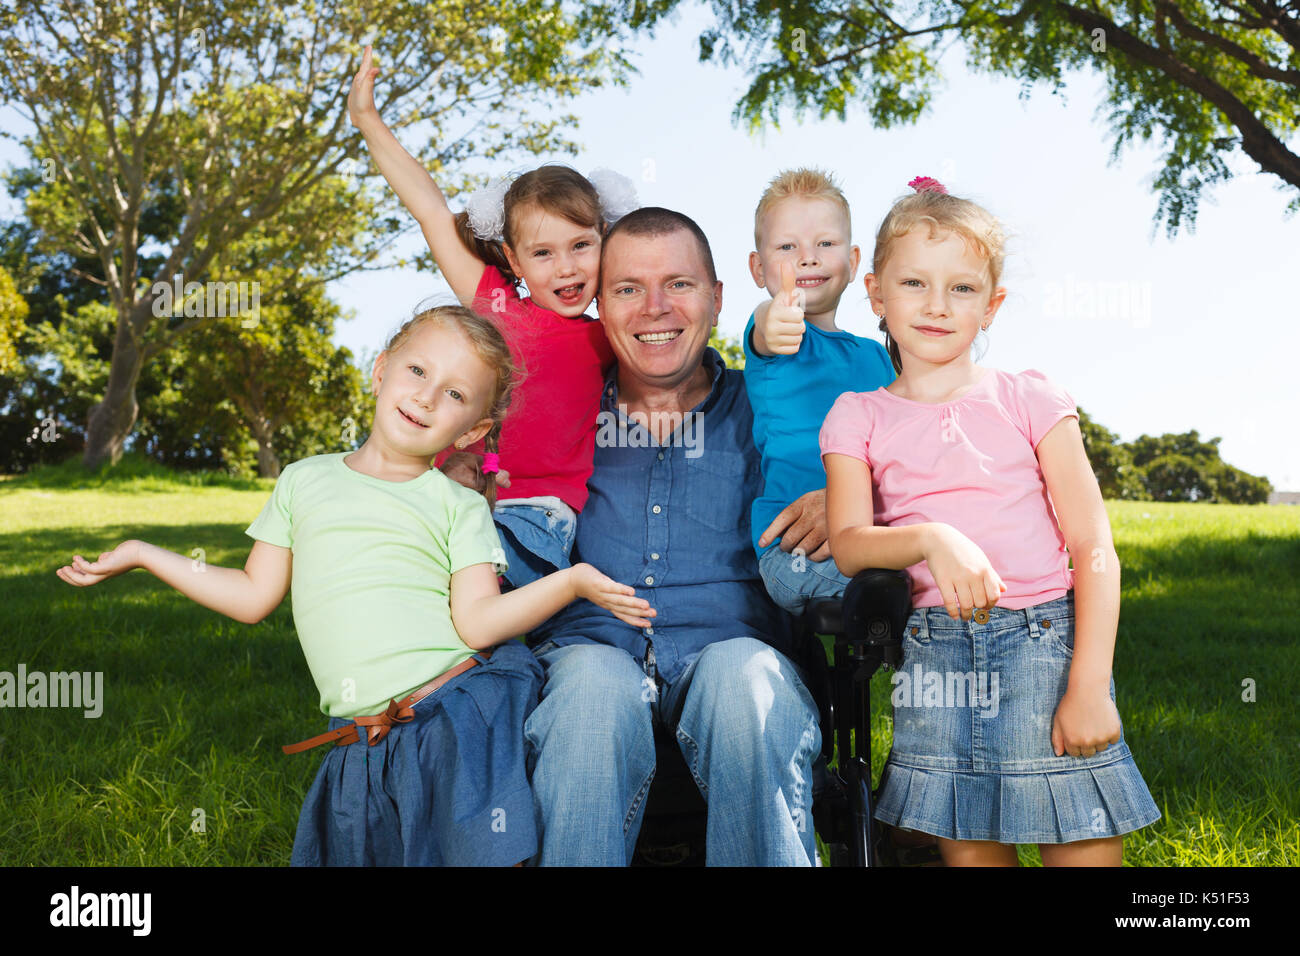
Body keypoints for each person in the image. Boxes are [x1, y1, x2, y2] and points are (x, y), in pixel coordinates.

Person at [55, 304, 652, 867]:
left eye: (455, 394)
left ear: (473, 431)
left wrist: (570, 582)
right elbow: (252, 595)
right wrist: (140, 553)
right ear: (381, 370)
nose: (425, 395)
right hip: (366, 741)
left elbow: (476, 622)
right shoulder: (301, 481)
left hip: (454, 715)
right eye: (418, 370)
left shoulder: (456, 505)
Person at [820, 176, 1160, 866]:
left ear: (993, 305)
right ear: (877, 295)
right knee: (972, 852)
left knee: (1084, 843)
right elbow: (850, 545)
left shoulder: (1029, 398)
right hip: (936, 662)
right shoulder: (857, 415)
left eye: (963, 289)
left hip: (1046, 647)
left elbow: (1093, 544)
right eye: (915, 284)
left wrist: (1090, 684)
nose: (938, 306)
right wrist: (929, 538)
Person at [524, 207, 827, 866]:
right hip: (591, 650)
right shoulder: (559, 414)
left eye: (679, 285)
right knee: (590, 698)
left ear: (717, 299)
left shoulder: (774, 408)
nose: (654, 309)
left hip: (734, 648)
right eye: (629, 289)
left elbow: (897, 457)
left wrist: (845, 499)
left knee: (746, 684)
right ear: (599, 306)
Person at [348, 45, 637, 589]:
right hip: (455, 495)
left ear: (606, 240)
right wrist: (368, 119)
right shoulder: (494, 303)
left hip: (537, 517)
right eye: (544, 253)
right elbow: (430, 209)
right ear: (514, 260)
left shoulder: (609, 336)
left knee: (464, 586)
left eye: (582, 245)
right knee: (386, 567)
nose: (567, 267)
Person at [743, 167, 895, 615]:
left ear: (852, 262)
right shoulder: (775, 338)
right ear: (758, 267)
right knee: (904, 578)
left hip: (866, 530)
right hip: (794, 548)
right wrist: (777, 317)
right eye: (787, 247)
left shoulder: (877, 357)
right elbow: (768, 327)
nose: (807, 258)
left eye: (825, 245)